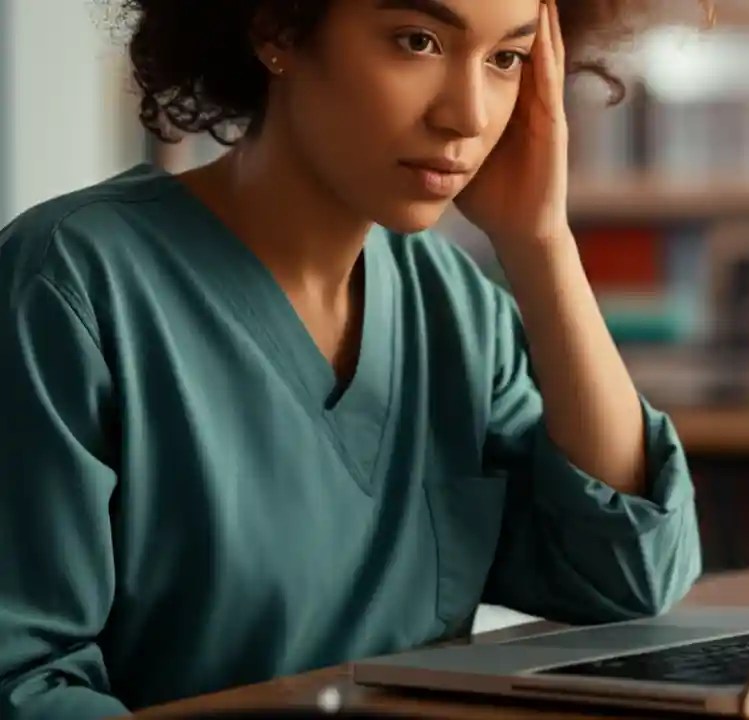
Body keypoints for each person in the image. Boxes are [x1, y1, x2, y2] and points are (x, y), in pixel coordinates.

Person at [0, 1, 708, 717]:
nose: (467, 116)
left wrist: (542, 244)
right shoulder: (73, 282)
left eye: (506, 60)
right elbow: (22, 685)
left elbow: (627, 574)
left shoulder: (456, 306)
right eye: (418, 41)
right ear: (276, 29)